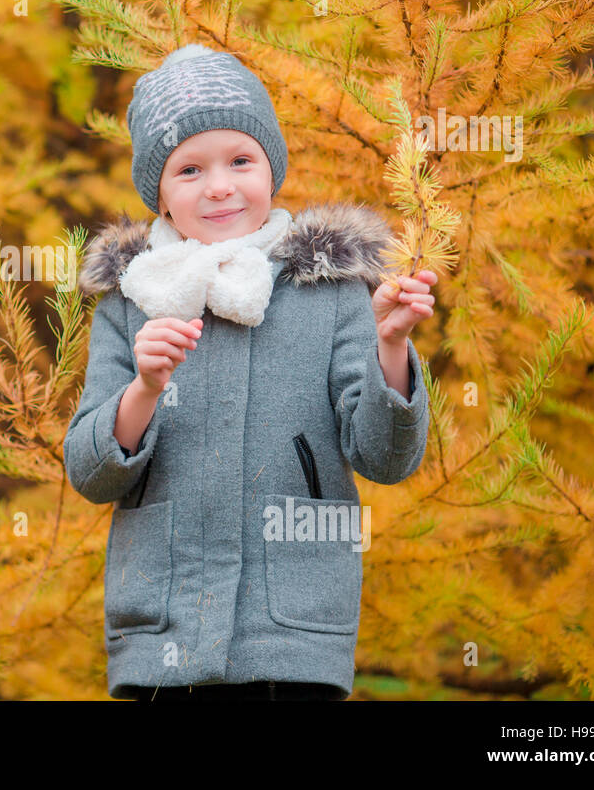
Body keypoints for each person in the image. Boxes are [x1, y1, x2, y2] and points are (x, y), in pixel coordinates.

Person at [64, 44, 438, 702]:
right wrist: (143, 390)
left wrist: (390, 348)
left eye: (241, 160)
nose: (218, 185)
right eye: (189, 169)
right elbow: (90, 474)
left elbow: (385, 459)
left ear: (273, 168)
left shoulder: (330, 291)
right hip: (162, 633)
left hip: (291, 636)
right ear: (159, 192)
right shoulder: (131, 302)